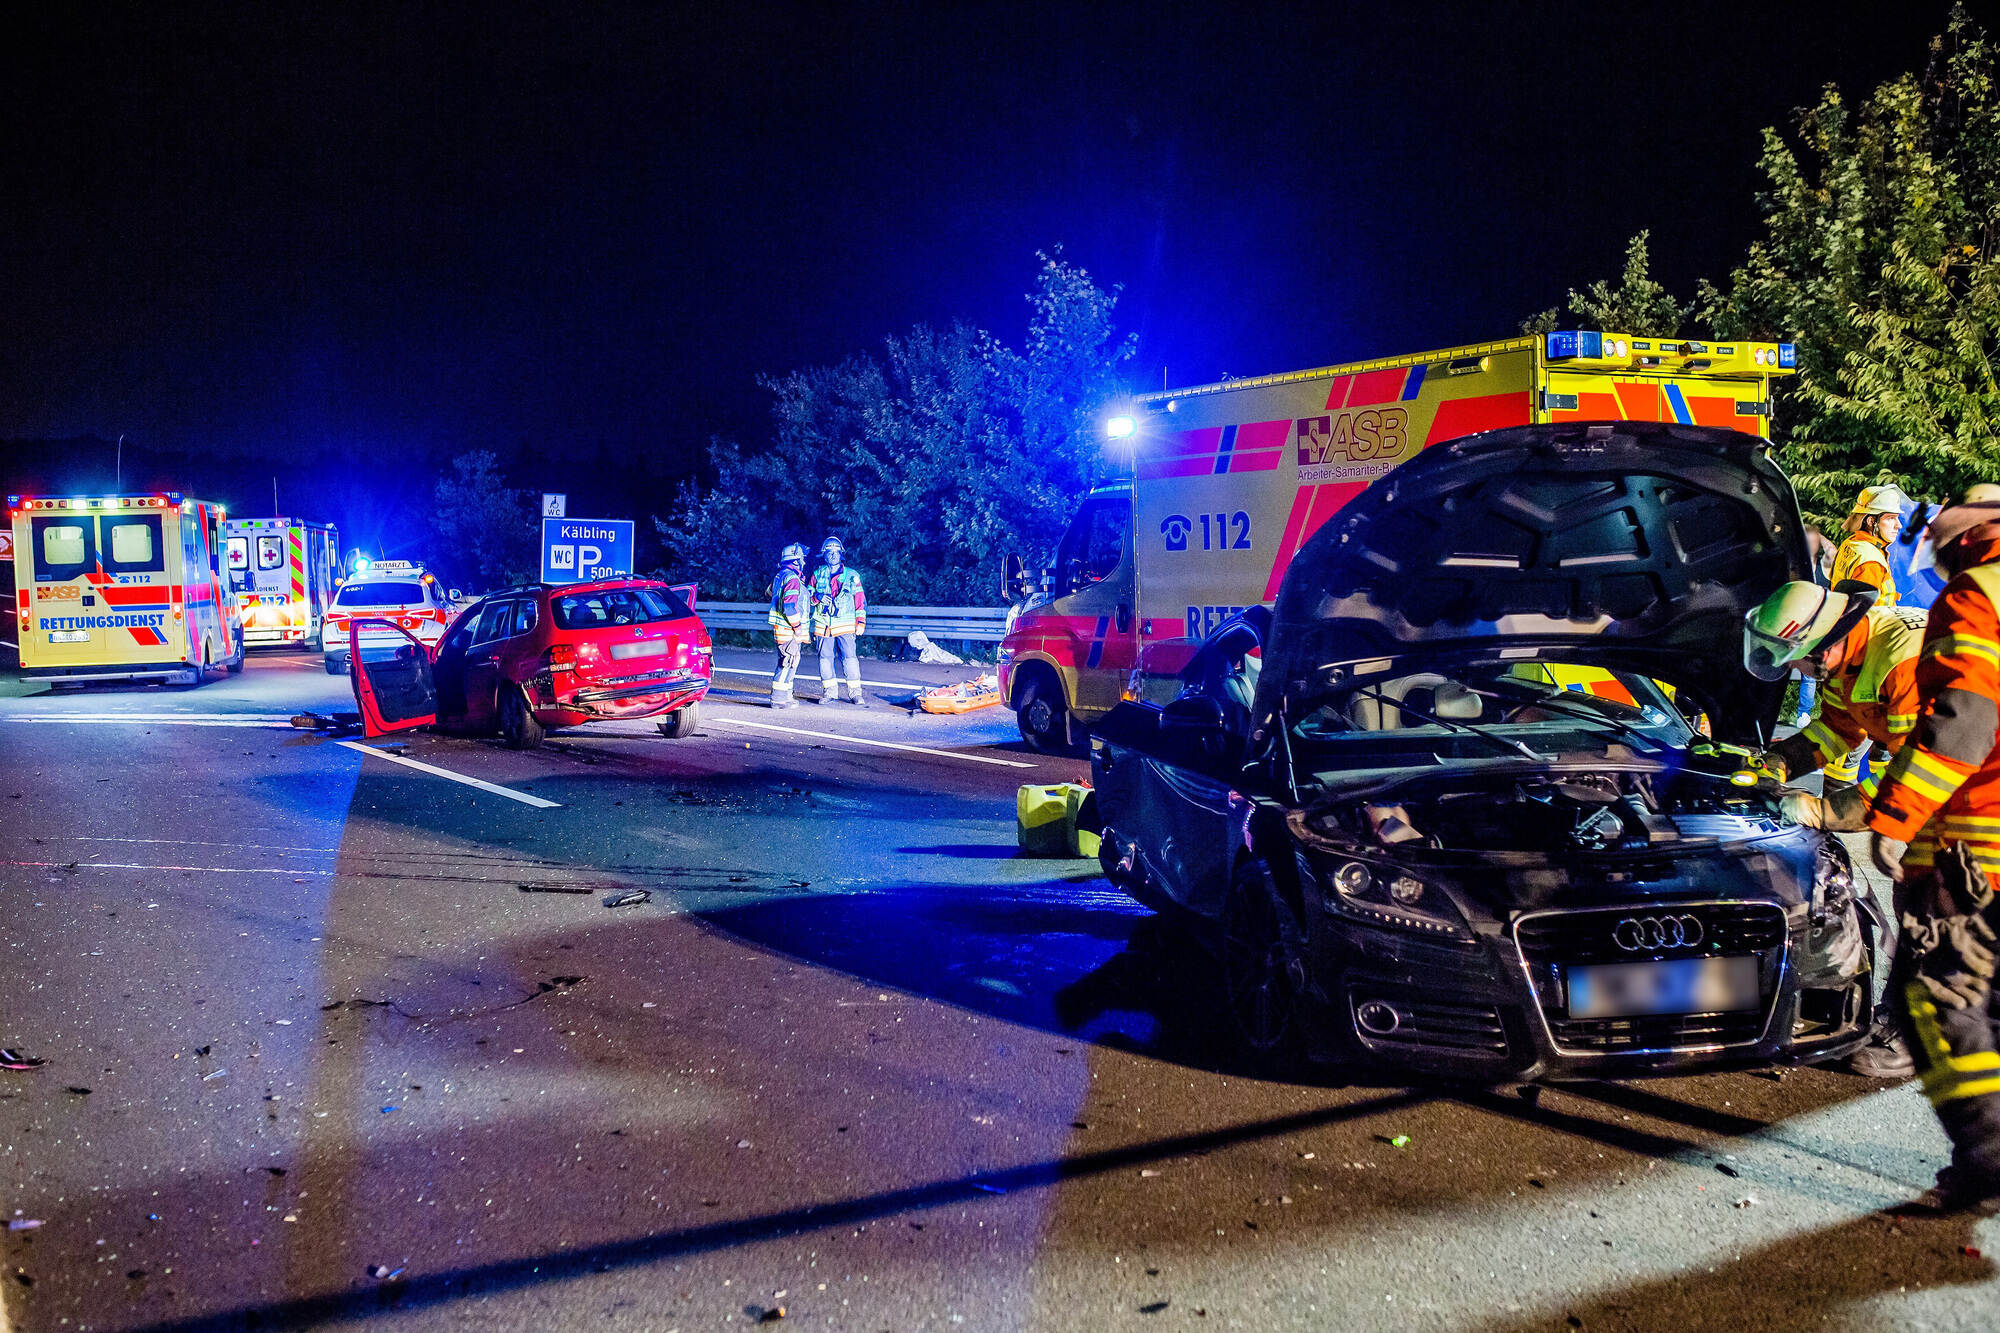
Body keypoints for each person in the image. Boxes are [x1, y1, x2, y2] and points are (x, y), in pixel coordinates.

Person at [1862, 485, 2000, 1216]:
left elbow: (1967, 715)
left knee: (1937, 998)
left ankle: (1990, 1161)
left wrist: (1896, 818)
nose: (1929, 530)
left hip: (1978, 844)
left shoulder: (1981, 588)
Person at [1744, 578, 1931, 1077]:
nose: (1794, 669)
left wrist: (1818, 812)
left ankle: (1913, 1035)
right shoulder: (1852, 655)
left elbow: (1914, 778)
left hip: (1976, 791)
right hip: (1957, 783)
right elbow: (1836, 730)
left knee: (1933, 902)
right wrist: (1779, 761)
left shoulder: (1902, 660)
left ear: (1825, 644)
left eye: (1797, 658)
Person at [1832, 484, 1911, 607]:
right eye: (1891, 518)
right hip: (1876, 624)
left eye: (1897, 518)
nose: (1898, 525)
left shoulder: (1851, 543)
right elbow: (1866, 612)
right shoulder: (1870, 562)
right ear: (1871, 521)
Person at [810, 536, 867, 705]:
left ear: (841, 554)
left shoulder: (852, 575)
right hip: (823, 626)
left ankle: (855, 693)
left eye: (836, 552)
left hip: (846, 625)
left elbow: (860, 599)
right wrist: (817, 597)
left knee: (850, 660)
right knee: (824, 660)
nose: (833, 555)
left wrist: (861, 622)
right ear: (824, 555)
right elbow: (807, 597)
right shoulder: (817, 574)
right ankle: (830, 693)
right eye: (829, 552)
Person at [766, 543, 809, 709]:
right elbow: (789, 606)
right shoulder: (792, 578)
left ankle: (786, 696)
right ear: (796, 561)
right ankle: (778, 699)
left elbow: (769, 593)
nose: (804, 561)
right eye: (802, 558)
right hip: (789, 630)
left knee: (792, 660)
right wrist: (797, 628)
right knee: (788, 662)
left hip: (782, 628)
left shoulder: (781, 576)